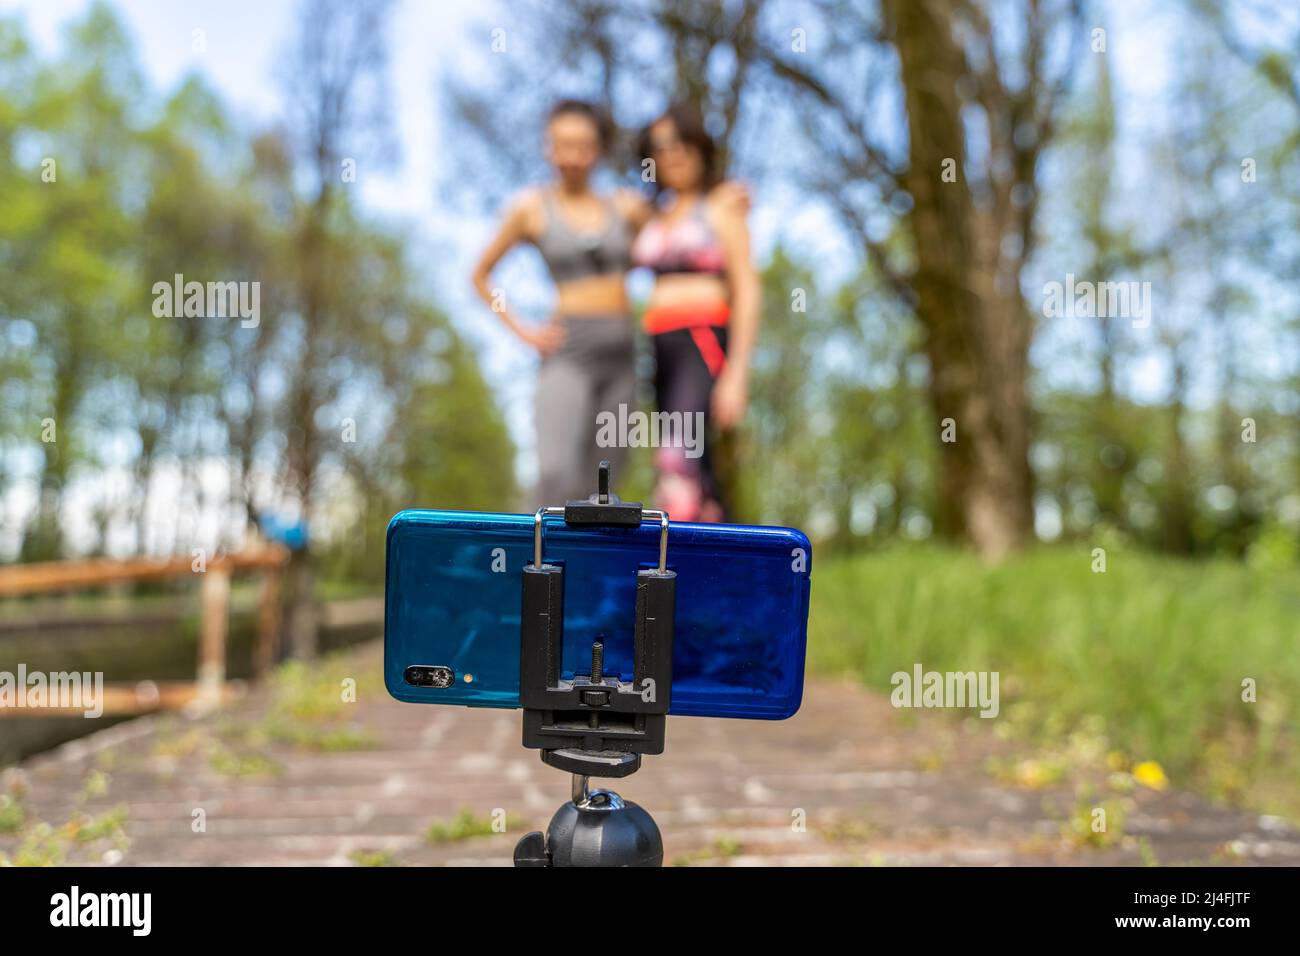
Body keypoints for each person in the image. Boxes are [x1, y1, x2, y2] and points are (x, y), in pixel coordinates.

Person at [471, 99, 649, 507]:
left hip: (623, 358)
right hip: (569, 352)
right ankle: (532, 548)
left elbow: (684, 225)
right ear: (547, 147)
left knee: (604, 489)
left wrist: (724, 195)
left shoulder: (626, 207)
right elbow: (480, 275)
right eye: (561, 145)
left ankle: (591, 553)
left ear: (599, 149)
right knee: (556, 473)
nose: (572, 156)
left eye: (583, 146)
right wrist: (524, 332)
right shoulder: (531, 209)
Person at [632, 104, 760, 522]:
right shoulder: (652, 215)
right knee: (693, 460)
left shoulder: (722, 207)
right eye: (659, 148)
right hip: (660, 348)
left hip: (701, 341)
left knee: (677, 457)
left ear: (700, 148)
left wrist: (737, 374)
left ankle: (680, 552)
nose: (671, 155)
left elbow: (747, 288)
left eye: (680, 144)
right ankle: (720, 553)